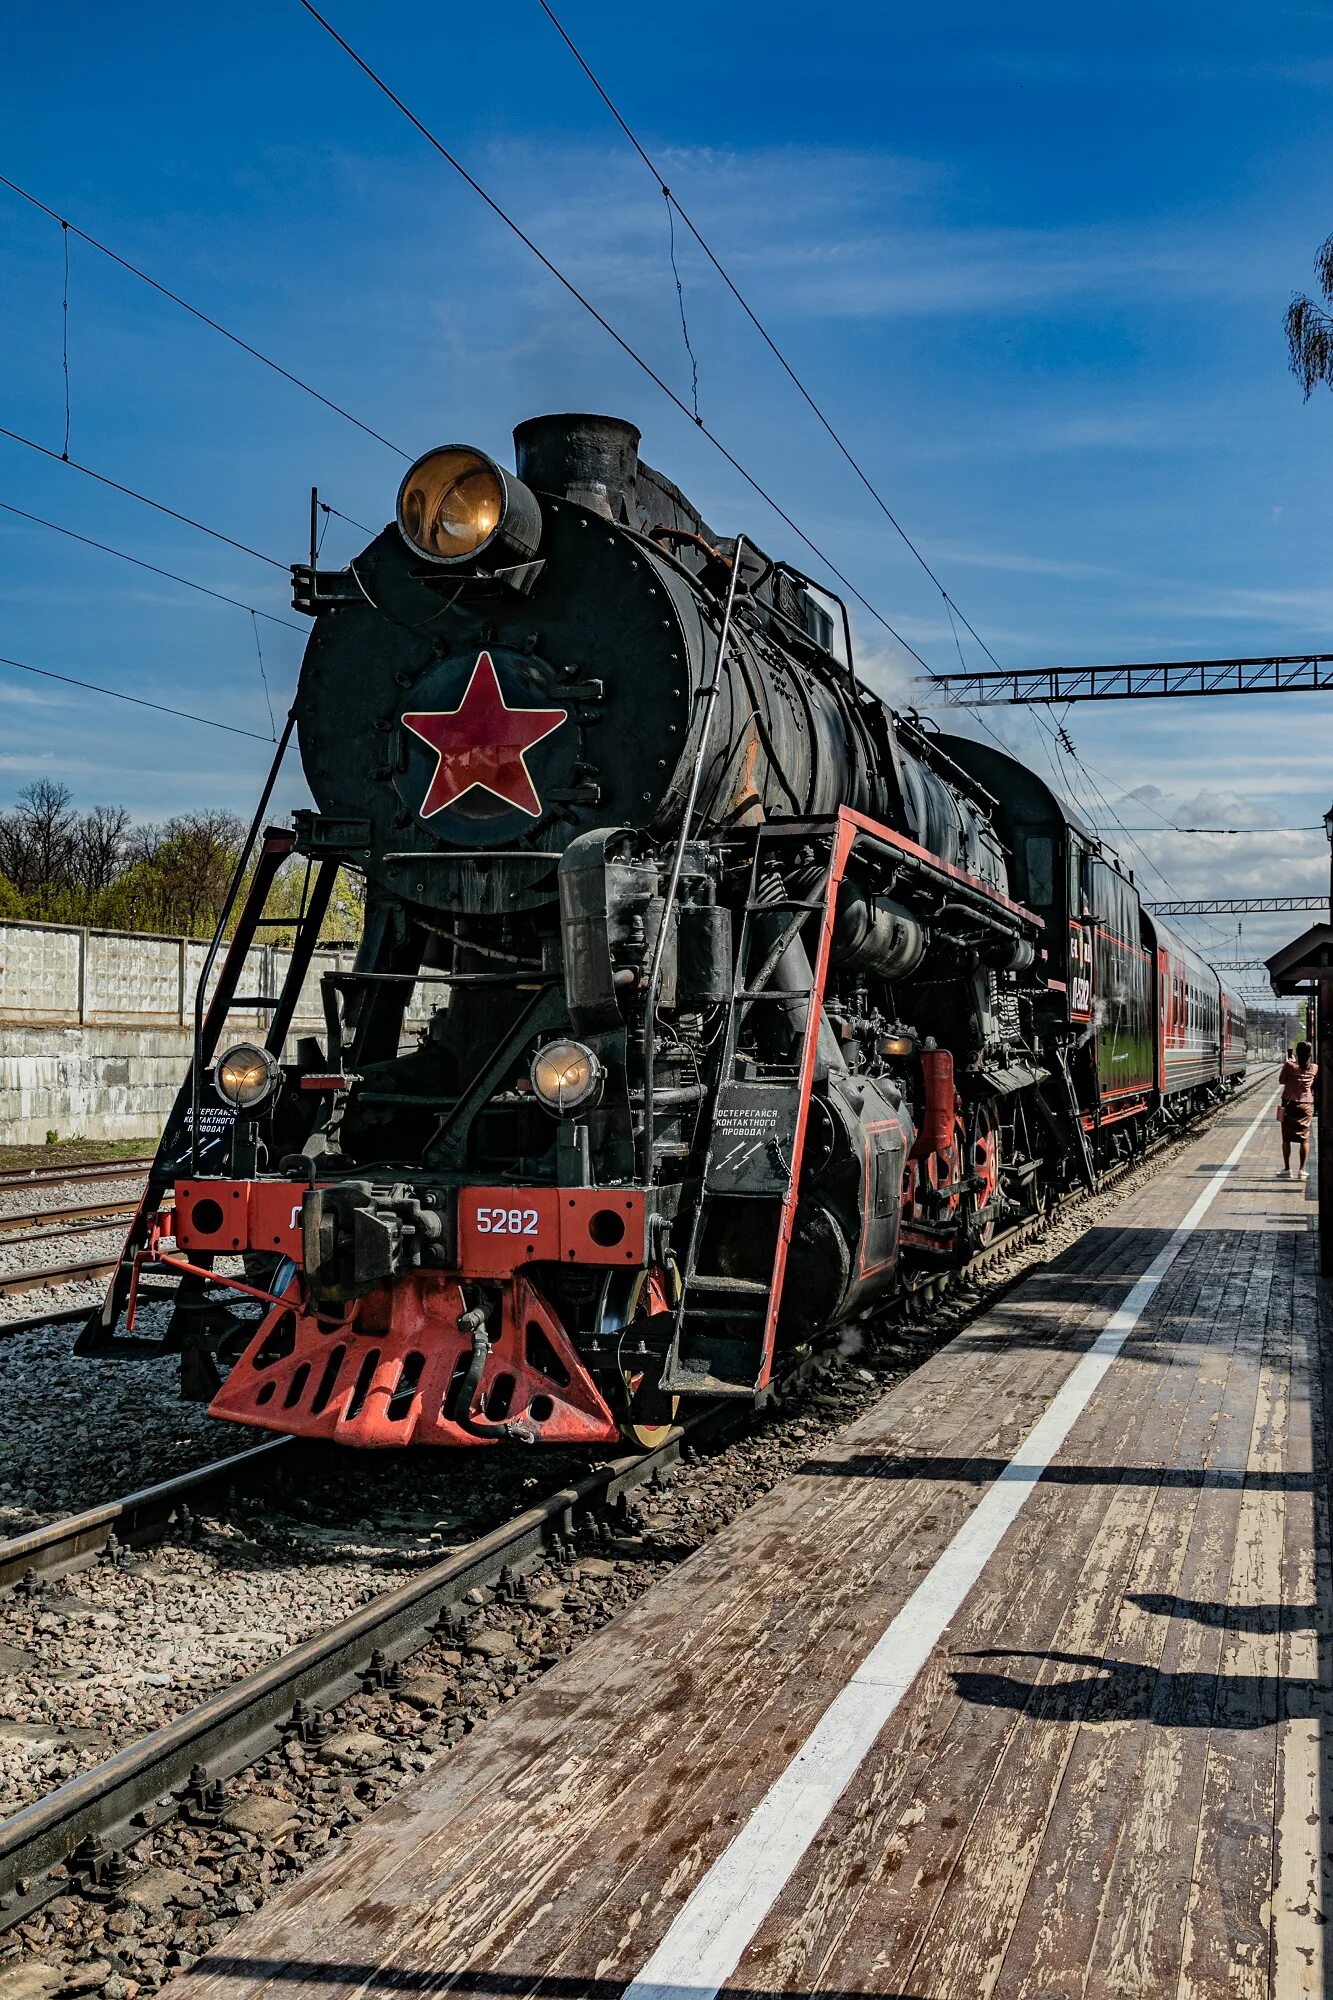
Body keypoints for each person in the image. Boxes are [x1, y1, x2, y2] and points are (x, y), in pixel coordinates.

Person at [1278, 1040, 1318, 1180]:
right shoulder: (1314, 1068)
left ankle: (1287, 1169)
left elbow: (1282, 1081)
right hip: (1306, 1106)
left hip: (1289, 1105)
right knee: (1304, 1139)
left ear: (1296, 1052)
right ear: (1310, 1054)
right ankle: (1301, 1170)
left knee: (1286, 1138)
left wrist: (1288, 1063)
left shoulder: (1290, 1066)